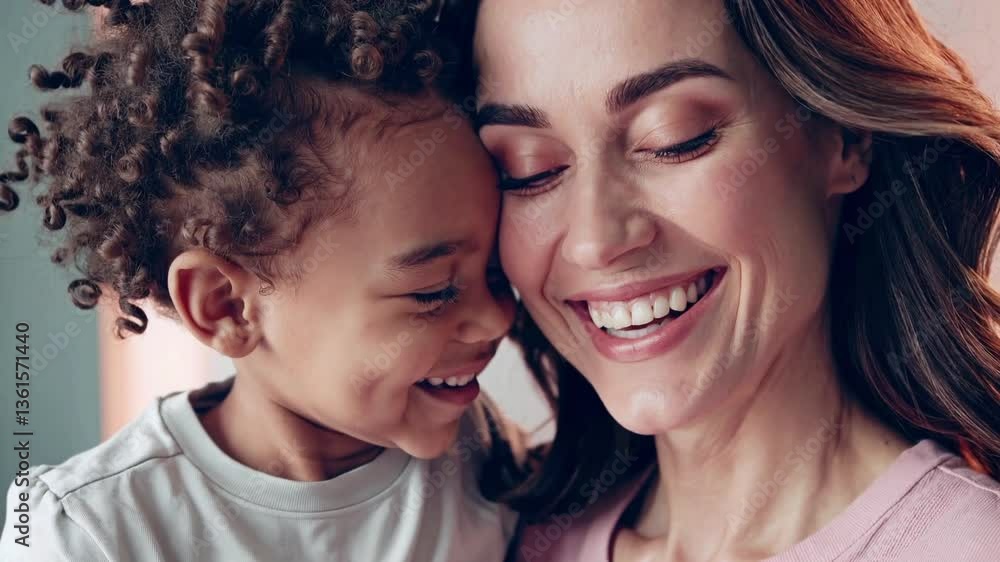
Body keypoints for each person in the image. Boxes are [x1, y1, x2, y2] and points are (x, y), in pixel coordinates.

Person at [473, 0, 1000, 560]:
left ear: (845, 137)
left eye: (676, 138)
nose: (594, 241)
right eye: (529, 170)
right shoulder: (511, 539)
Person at [0, 1, 522, 560]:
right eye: (434, 291)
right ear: (225, 307)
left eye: (494, 271)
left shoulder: (481, 456)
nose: (498, 316)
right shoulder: (89, 529)